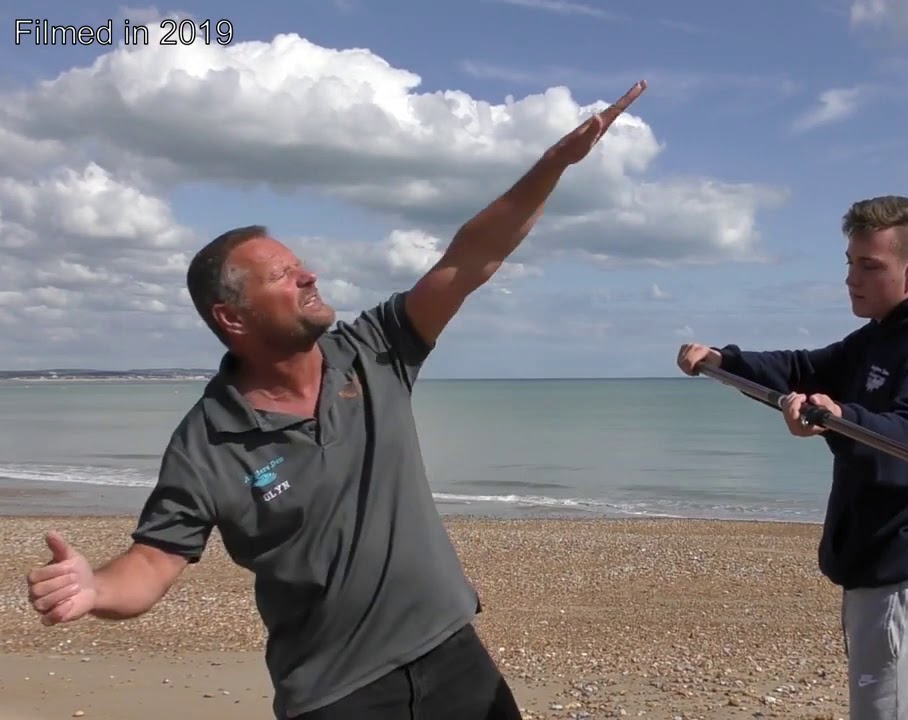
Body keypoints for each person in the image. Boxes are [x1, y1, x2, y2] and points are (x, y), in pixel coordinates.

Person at [24, 80, 648, 720]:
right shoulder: (206, 440)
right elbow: (154, 561)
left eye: (301, 264)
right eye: (282, 276)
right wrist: (96, 587)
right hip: (336, 694)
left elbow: (470, 260)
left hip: (453, 655)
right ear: (233, 317)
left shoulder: (375, 350)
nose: (309, 275)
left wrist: (553, 167)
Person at [676, 195, 908, 719]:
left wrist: (842, 420)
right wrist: (725, 361)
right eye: (850, 263)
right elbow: (802, 368)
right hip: (877, 571)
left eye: (869, 266)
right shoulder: (879, 336)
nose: (851, 278)